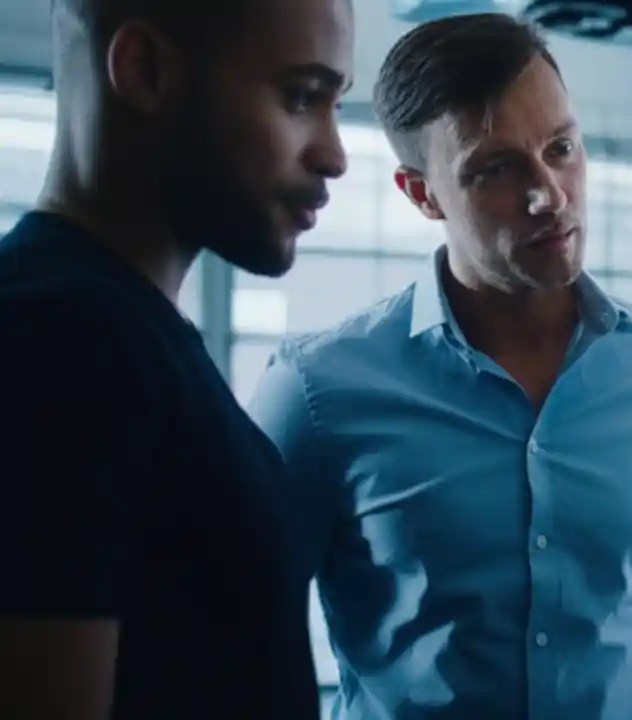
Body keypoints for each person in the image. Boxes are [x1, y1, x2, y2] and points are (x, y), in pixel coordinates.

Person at [246, 13, 632, 720]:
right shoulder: (314, 394)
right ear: (421, 193)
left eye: (561, 148)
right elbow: (237, 642)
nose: (547, 194)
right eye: (495, 169)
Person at [0, 0, 353, 717]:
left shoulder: (121, 332)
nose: (335, 154)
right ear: (145, 70)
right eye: (300, 98)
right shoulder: (66, 339)